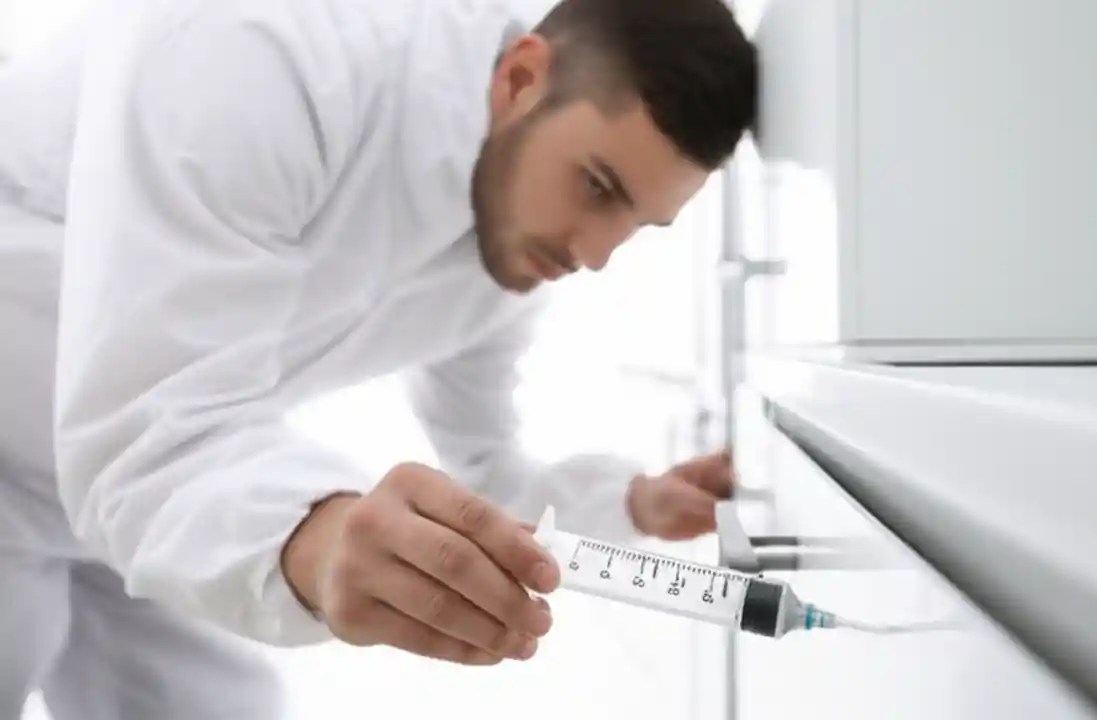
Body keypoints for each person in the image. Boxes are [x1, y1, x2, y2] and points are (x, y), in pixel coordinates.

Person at [0, 0, 757, 715]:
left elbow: (489, 470)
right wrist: (318, 539)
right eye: (597, 186)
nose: (594, 255)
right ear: (523, 78)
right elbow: (144, 432)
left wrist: (635, 504)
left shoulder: (510, 251)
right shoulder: (263, 53)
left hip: (145, 499)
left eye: (638, 223)